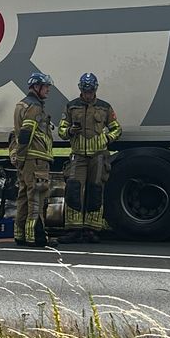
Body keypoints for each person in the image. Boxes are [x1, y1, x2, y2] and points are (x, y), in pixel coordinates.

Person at [57, 72, 122, 243]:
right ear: (81, 90)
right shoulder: (71, 107)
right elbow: (61, 130)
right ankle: (73, 229)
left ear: (95, 90)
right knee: (73, 190)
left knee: (95, 190)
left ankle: (92, 230)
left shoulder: (104, 107)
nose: (88, 95)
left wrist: (107, 138)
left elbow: (117, 128)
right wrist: (70, 131)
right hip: (78, 155)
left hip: (98, 156)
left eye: (91, 91)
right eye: (86, 91)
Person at [10, 72, 58, 248]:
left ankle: (20, 234)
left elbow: (16, 134)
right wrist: (22, 156)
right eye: (46, 87)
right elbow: (25, 133)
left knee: (23, 196)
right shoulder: (35, 107)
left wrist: (18, 157)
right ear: (36, 87)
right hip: (36, 158)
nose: (48, 91)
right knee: (37, 197)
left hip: (27, 159)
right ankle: (36, 236)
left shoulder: (21, 104)